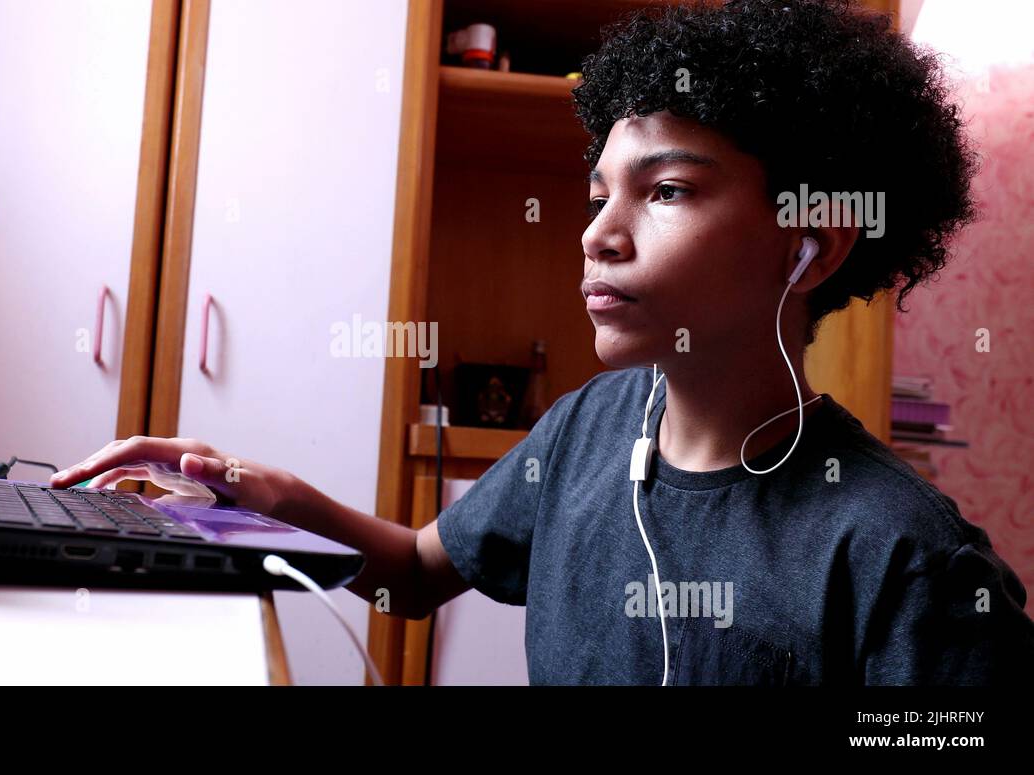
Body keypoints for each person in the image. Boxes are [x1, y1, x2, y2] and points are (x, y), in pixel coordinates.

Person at [50, 0, 1034, 684]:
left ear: (808, 245)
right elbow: (416, 570)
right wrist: (257, 493)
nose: (598, 233)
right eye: (599, 193)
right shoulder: (586, 432)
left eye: (668, 191)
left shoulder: (906, 561)